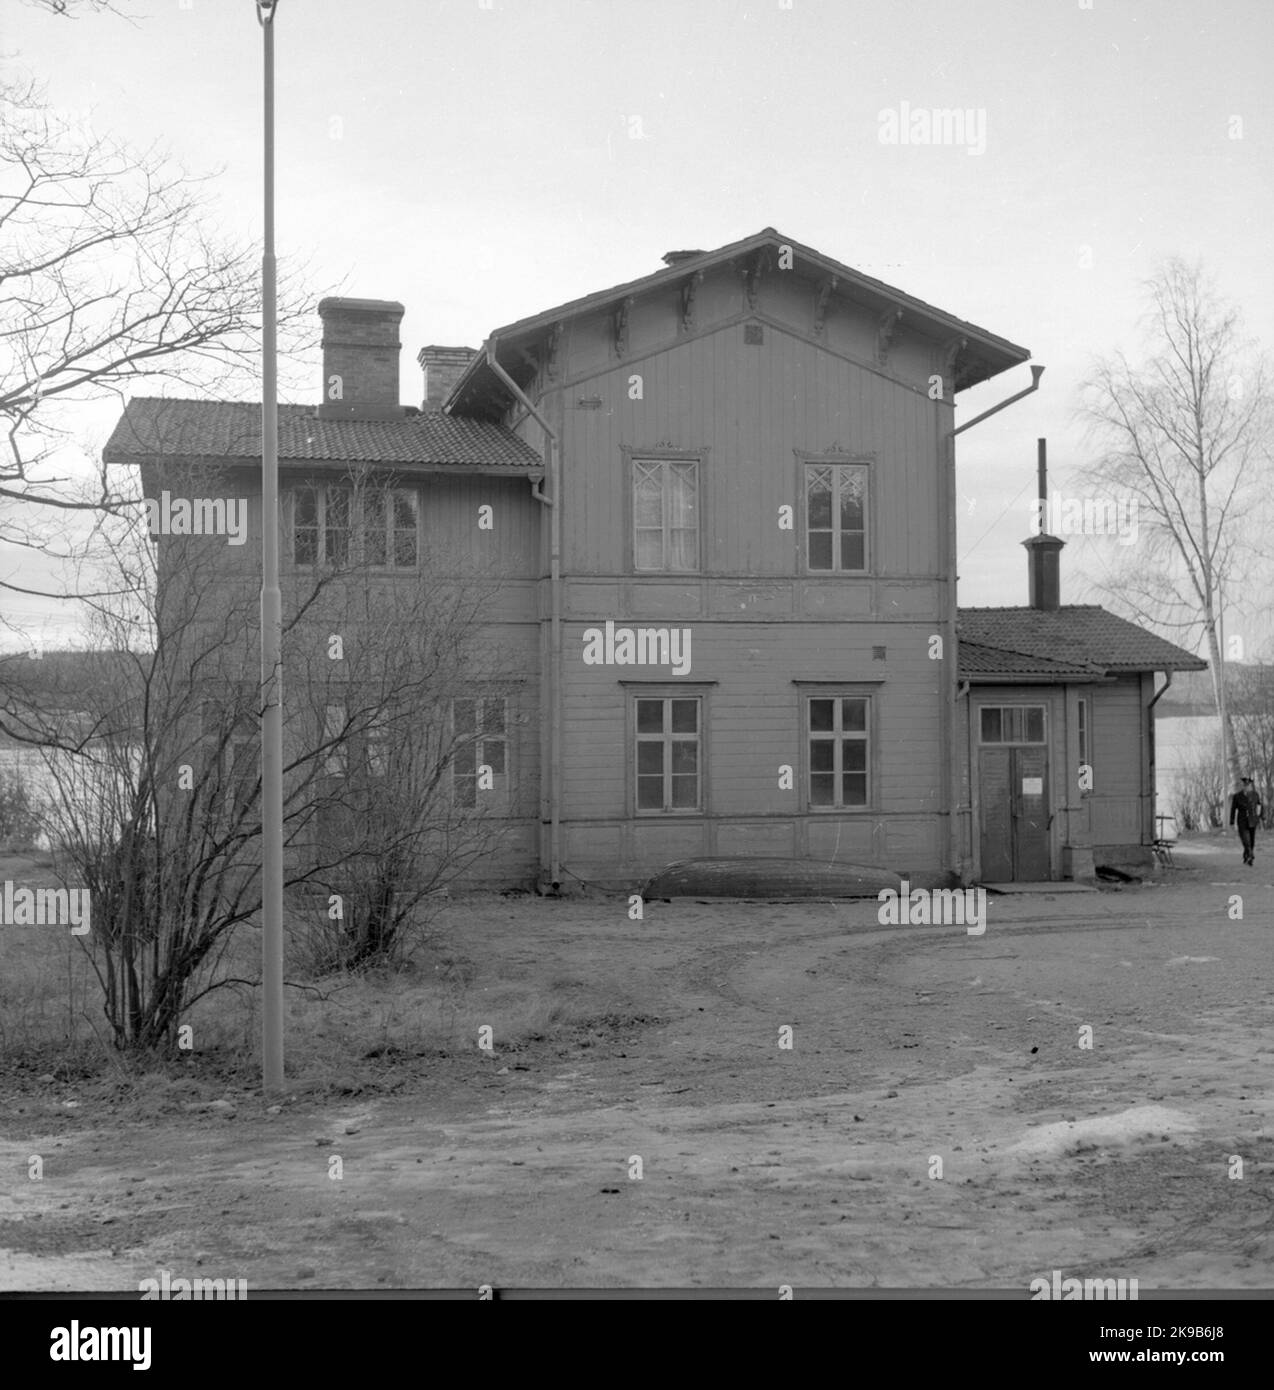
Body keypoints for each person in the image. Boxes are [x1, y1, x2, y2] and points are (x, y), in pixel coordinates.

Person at [1228, 776, 1263, 866]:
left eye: (1248, 785)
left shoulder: (1255, 795)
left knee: (1251, 841)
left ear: (1250, 786)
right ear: (1243, 786)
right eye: (1245, 785)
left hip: (1252, 821)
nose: (1246, 787)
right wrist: (1232, 821)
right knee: (1245, 840)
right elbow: (1233, 809)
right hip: (1242, 821)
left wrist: (1262, 817)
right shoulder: (1237, 796)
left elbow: (1259, 806)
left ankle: (1246, 857)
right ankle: (1251, 855)